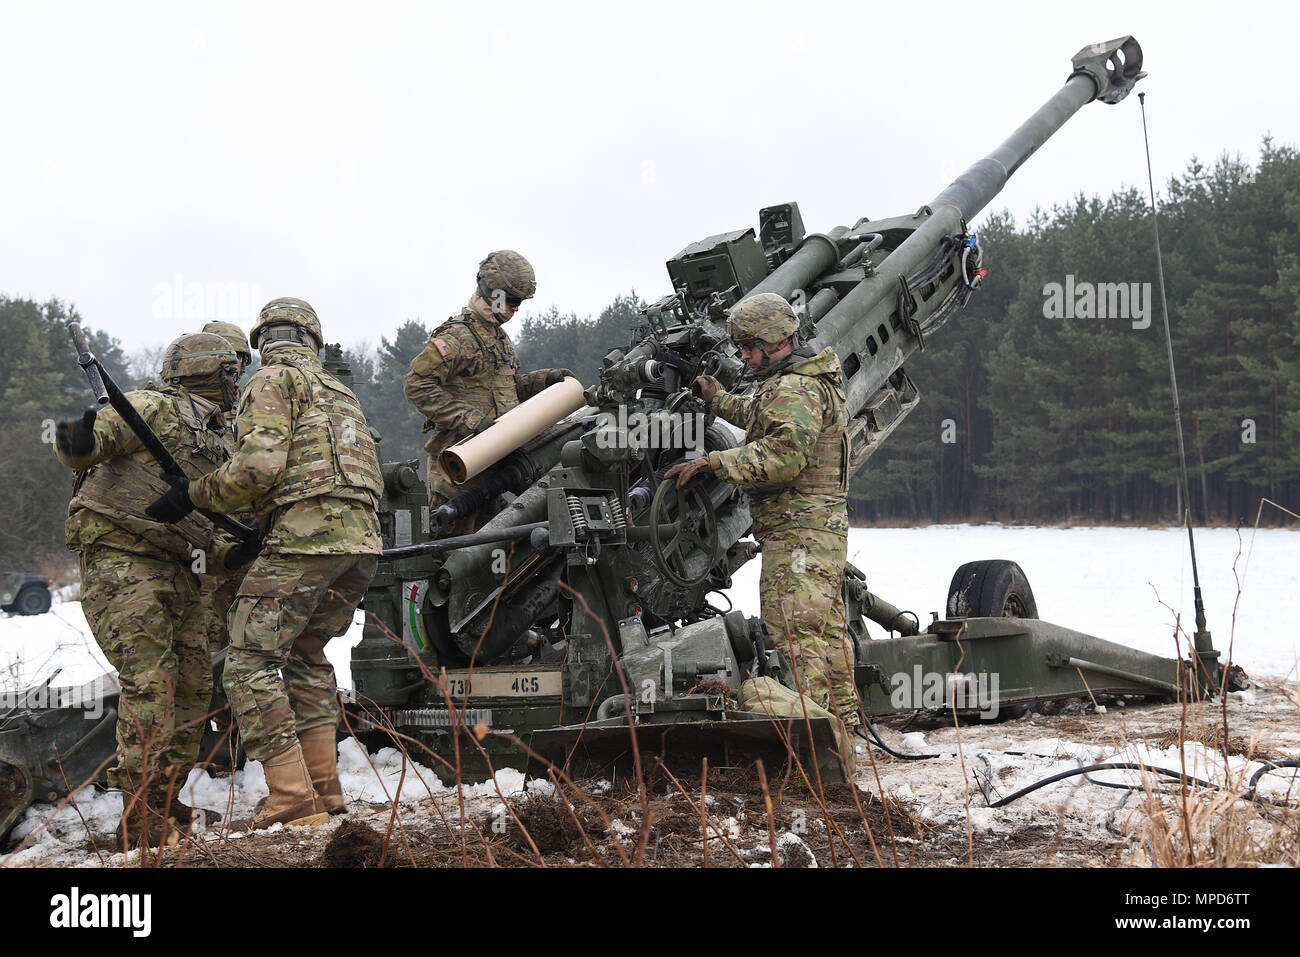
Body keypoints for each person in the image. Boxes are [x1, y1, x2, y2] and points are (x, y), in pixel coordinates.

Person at [146, 297, 383, 829]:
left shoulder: (271, 381)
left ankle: (292, 798)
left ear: (263, 343)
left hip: (306, 540)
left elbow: (258, 468)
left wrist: (194, 495)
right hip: (362, 545)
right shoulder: (342, 393)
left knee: (249, 661)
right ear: (314, 341)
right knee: (304, 654)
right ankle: (324, 793)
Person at [54, 332, 243, 848]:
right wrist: (75, 437)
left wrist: (235, 551)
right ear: (207, 372)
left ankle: (163, 797)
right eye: (230, 371)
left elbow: (213, 524)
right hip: (123, 561)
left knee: (194, 685)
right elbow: (92, 443)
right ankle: (138, 815)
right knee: (152, 684)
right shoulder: (151, 408)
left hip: (178, 567)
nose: (237, 381)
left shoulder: (223, 436)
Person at [666, 292, 860, 733]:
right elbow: (760, 414)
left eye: (750, 347)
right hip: (816, 533)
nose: (745, 356)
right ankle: (843, 736)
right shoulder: (798, 379)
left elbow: (785, 457)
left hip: (799, 537)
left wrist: (715, 463)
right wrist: (717, 399)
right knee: (825, 638)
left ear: (775, 341)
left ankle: (816, 746)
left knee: (794, 639)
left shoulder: (794, 387)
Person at [403, 250, 572, 536]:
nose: (516, 310)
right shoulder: (457, 336)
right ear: (494, 294)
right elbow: (416, 385)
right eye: (514, 301)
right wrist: (470, 420)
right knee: (453, 553)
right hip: (461, 468)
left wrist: (546, 381)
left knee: (492, 557)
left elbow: (508, 390)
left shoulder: (498, 338)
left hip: (497, 467)